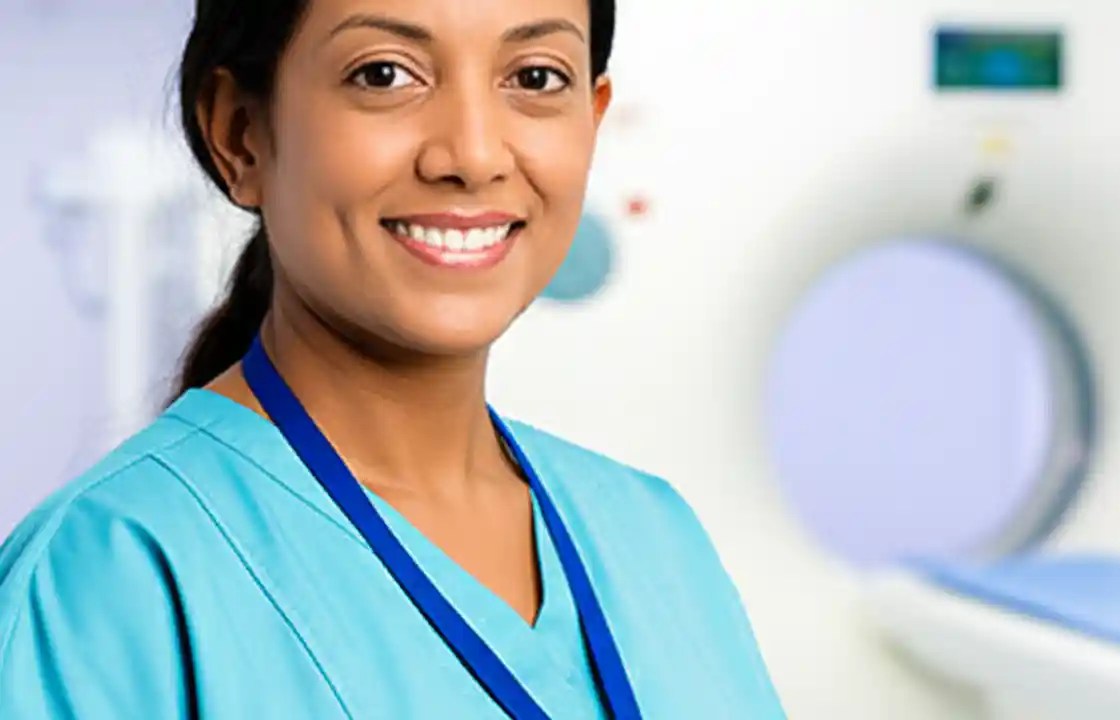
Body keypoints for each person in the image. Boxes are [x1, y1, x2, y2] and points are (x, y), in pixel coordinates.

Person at [0, 0, 785, 717]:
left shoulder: (656, 538)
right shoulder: (106, 578)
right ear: (241, 135)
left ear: (592, 119)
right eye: (384, 75)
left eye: (535, 78)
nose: (473, 155)